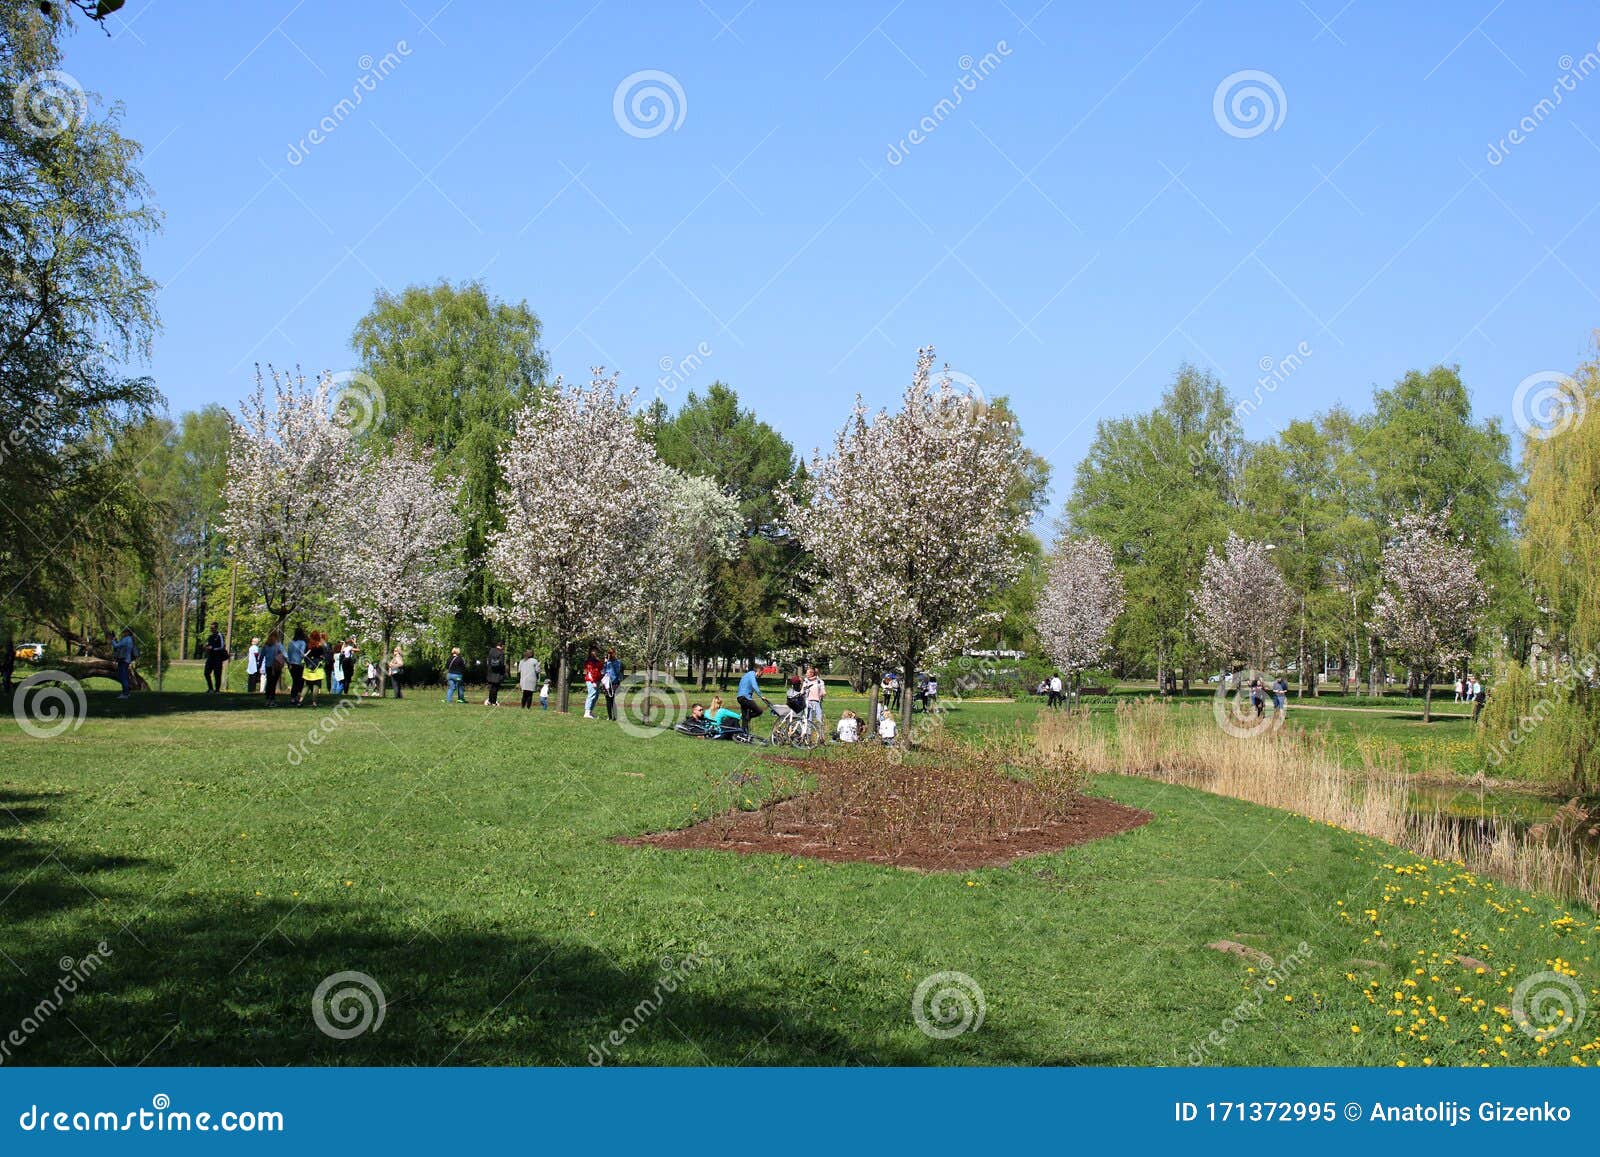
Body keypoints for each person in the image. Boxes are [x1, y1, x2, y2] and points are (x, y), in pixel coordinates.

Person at [736, 662, 768, 730]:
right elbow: (754, 686)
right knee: (759, 711)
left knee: (745, 717)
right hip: (745, 698)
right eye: (762, 672)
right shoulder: (751, 675)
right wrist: (761, 696)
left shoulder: (747, 675)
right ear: (759, 671)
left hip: (740, 697)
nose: (762, 674)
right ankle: (748, 717)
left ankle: (744, 733)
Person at [259, 630, 287, 706]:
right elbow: (285, 655)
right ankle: (272, 700)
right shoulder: (278, 645)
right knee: (273, 684)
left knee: (269, 683)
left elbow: (261, 656)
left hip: (268, 666)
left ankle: (267, 700)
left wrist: (259, 665)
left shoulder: (266, 645)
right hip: (276, 666)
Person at [112, 627, 138, 699]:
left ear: (128, 633)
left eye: (124, 632)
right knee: (124, 676)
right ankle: (126, 691)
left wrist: (113, 641)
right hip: (126, 660)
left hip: (123, 660)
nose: (122, 633)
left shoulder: (126, 639)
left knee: (122, 677)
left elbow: (116, 646)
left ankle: (125, 693)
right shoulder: (131, 639)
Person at [302, 631, 327, 707]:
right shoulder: (319, 646)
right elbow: (323, 655)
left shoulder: (308, 645)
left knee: (307, 685)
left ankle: (300, 700)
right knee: (316, 685)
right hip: (317, 668)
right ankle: (314, 702)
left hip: (308, 668)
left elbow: (305, 655)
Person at [285, 627, 308, 706]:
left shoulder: (291, 642)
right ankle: (297, 698)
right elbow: (302, 654)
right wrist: (306, 654)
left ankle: (293, 698)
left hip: (291, 664)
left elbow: (288, 654)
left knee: (295, 681)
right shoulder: (302, 643)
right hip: (298, 664)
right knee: (300, 682)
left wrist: (288, 663)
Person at [203, 622, 226, 692]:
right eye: (210, 628)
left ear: (216, 628)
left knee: (217, 674)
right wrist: (206, 648)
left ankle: (217, 690)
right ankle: (210, 688)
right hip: (210, 658)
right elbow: (208, 645)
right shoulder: (210, 637)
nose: (211, 629)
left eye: (212, 628)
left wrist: (212, 648)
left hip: (217, 658)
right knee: (206, 673)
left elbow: (222, 646)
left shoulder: (220, 636)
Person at [602, 649, 623, 721]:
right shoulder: (606, 663)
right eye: (609, 653)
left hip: (615, 683)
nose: (610, 655)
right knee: (608, 700)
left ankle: (615, 716)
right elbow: (603, 672)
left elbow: (618, 672)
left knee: (614, 700)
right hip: (607, 684)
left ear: (614, 653)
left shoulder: (618, 662)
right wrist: (605, 663)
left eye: (611, 653)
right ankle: (609, 716)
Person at [582, 649, 603, 719]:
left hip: (597, 680)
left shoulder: (597, 661)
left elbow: (601, 668)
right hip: (591, 680)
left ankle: (590, 712)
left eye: (596, 651)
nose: (595, 652)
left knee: (596, 696)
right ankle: (586, 713)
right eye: (594, 651)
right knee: (591, 694)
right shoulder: (589, 662)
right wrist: (593, 681)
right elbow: (589, 672)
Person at [485, 642, 507, 706]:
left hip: (490, 672)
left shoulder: (491, 651)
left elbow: (488, 661)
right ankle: (494, 702)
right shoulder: (501, 653)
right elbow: (502, 664)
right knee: (495, 687)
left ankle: (490, 700)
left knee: (491, 687)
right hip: (497, 673)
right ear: (502, 646)